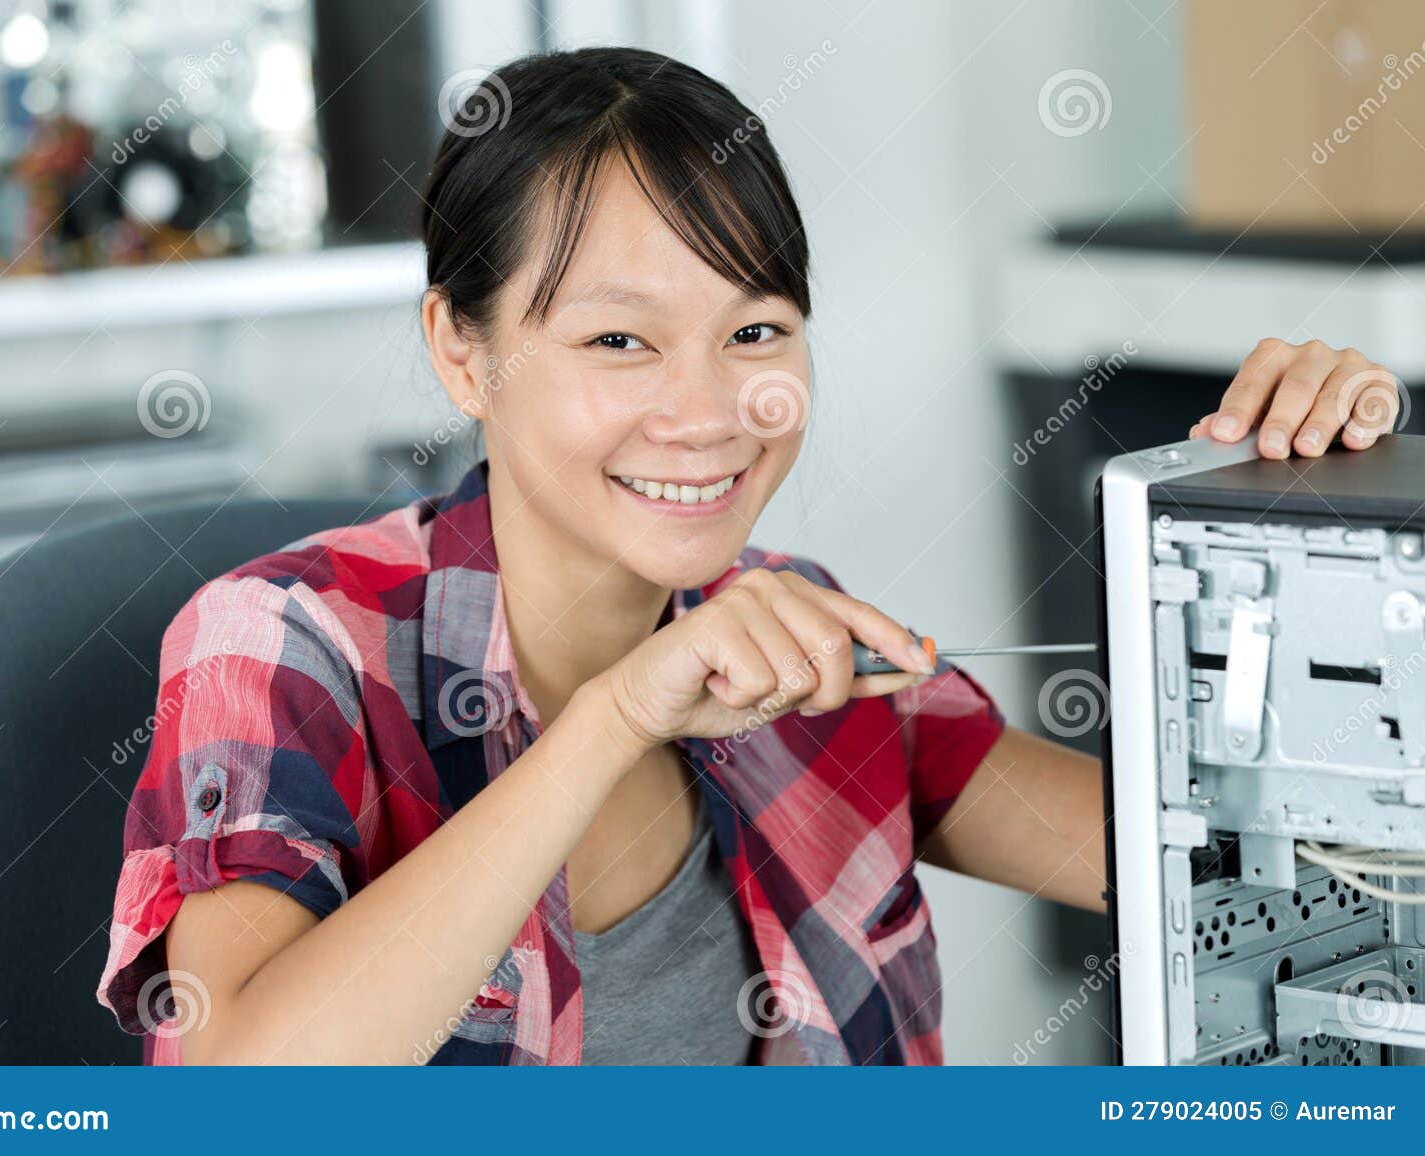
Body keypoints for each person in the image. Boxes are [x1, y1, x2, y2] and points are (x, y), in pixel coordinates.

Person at [94, 46, 1401, 1065]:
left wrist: (1304, 527)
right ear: (461, 351)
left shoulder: (796, 639)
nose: (709, 410)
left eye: (758, 332)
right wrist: (610, 721)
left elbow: (1266, 887)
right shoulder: (273, 641)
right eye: (619, 342)